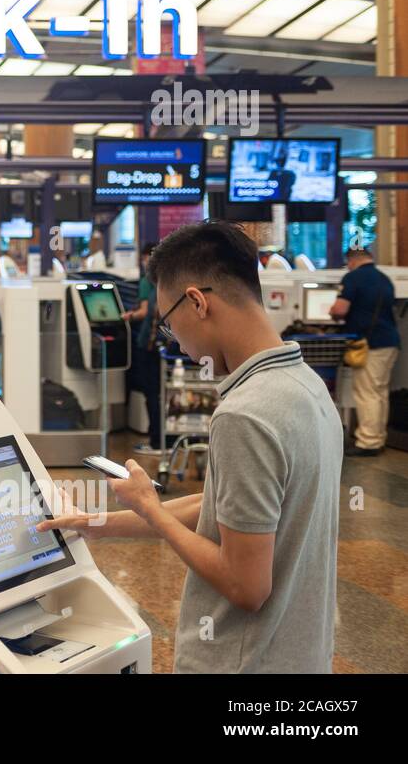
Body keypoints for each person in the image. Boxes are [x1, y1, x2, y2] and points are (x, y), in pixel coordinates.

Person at [43, 220, 341, 674]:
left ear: (197, 302)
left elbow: (246, 587)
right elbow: (232, 511)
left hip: (242, 663)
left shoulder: (246, 414)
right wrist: (97, 523)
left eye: (167, 323)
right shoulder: (307, 386)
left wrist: (153, 507)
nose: (177, 344)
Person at [331, 247, 400, 456]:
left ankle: (368, 442)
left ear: (351, 260)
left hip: (370, 343)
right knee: (379, 393)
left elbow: (340, 309)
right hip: (390, 342)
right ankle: (377, 438)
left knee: (367, 393)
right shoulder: (384, 279)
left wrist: (332, 313)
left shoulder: (353, 278)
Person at [121, 243, 162, 455]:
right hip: (162, 347)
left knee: (151, 392)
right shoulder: (167, 280)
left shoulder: (149, 280)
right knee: (159, 393)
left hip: (148, 345)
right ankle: (161, 438)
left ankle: (156, 441)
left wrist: (127, 317)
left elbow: (145, 311)